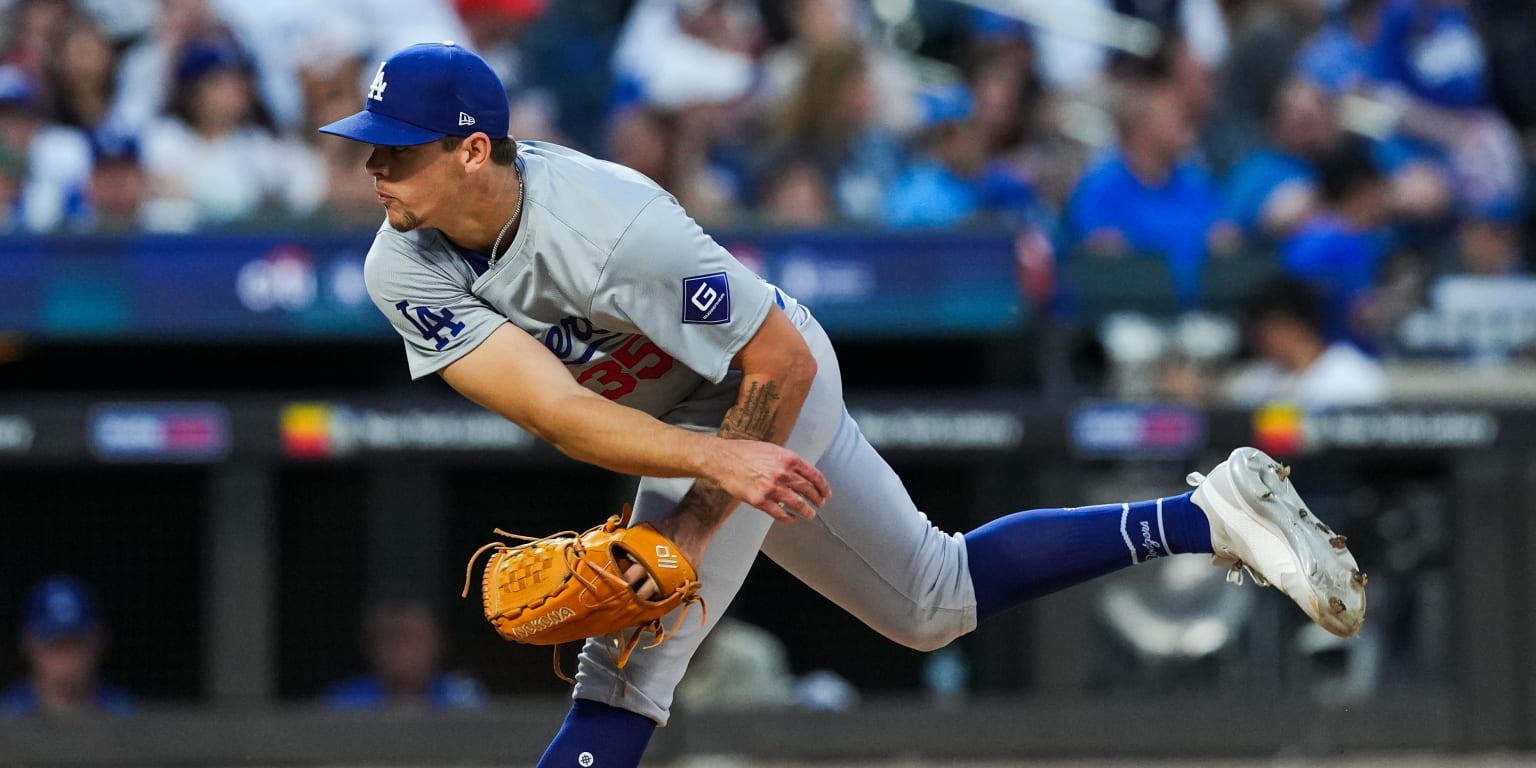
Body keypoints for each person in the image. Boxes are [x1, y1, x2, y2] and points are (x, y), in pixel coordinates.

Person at [318, 41, 1367, 767]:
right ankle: (1205, 514)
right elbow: (549, 408)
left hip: (765, 380)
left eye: (396, 149)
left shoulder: (613, 225)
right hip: (673, 421)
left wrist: (706, 491)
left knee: (627, 669)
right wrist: (699, 484)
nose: (374, 167)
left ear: (470, 151)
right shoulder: (399, 261)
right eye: (369, 144)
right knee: (932, 602)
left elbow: (776, 357)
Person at [1, 575, 136, 718]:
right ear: (29, 644)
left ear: (98, 642)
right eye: (53, 643)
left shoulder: (125, 714)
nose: (65, 657)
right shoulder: (7, 715)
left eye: (75, 643)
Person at [321, 597, 487, 711]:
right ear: (371, 646)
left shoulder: (463, 699)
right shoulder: (345, 702)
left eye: (411, 638)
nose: (400, 649)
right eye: (391, 638)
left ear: (437, 644)